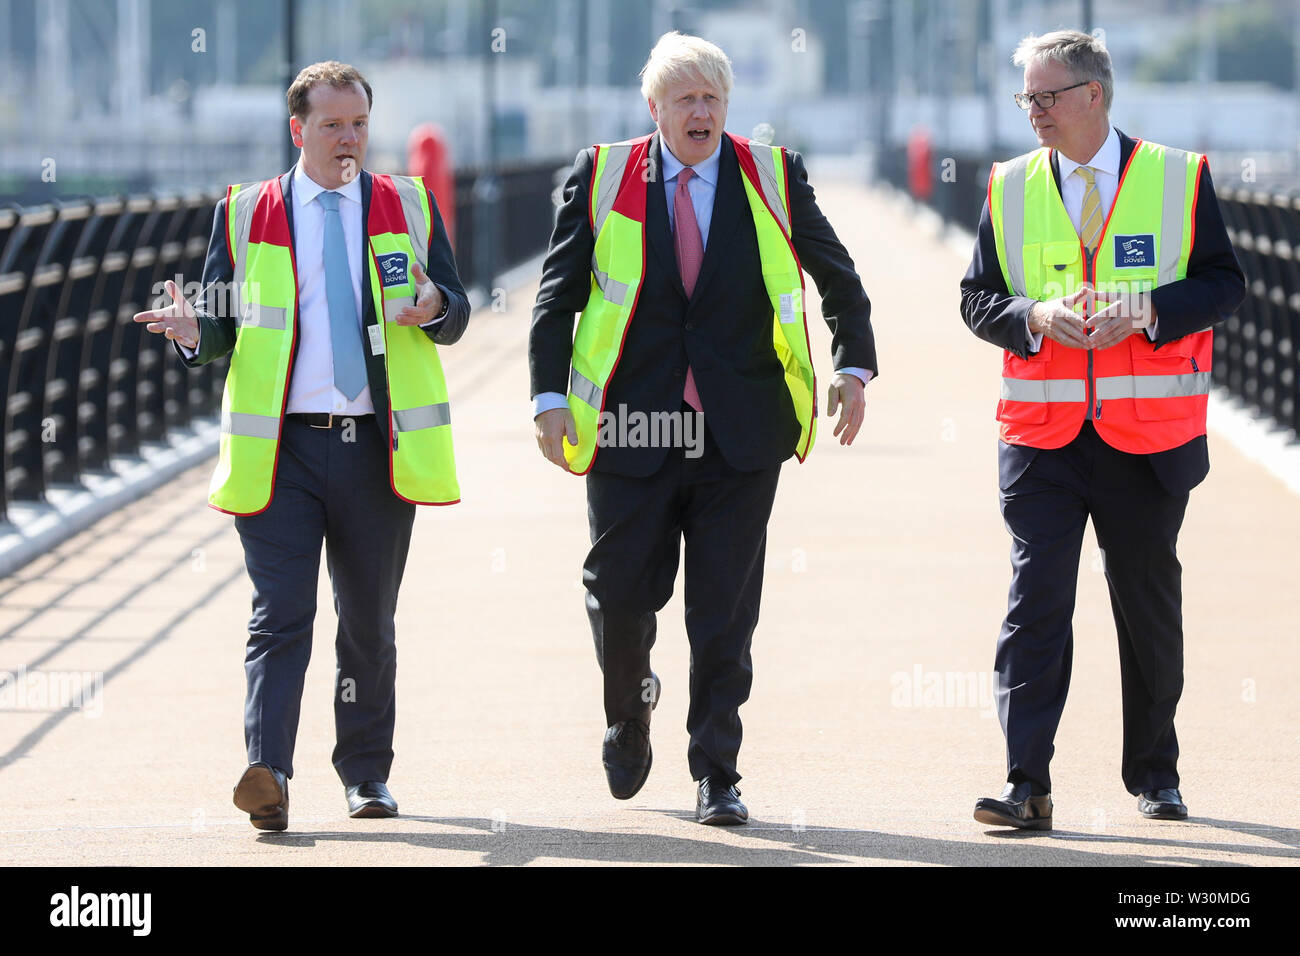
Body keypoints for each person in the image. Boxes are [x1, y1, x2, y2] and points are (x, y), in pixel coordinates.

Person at [529, 32, 878, 825]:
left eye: (713, 97)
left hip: (739, 431)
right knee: (619, 592)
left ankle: (717, 771)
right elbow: (557, 296)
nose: (702, 111)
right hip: (630, 423)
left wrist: (853, 366)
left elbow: (837, 275)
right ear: (653, 108)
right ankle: (630, 710)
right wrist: (547, 397)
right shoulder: (602, 175)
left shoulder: (773, 175)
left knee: (723, 611)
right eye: (685, 98)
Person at [134, 61, 469, 830]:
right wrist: (195, 335)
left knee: (367, 621)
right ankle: (270, 774)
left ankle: (365, 774)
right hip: (280, 451)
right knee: (279, 613)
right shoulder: (246, 212)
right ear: (298, 130)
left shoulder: (407, 204)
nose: (348, 139)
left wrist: (436, 304)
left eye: (358, 124)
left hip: (374, 450)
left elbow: (453, 308)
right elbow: (222, 325)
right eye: (331, 125)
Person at [960, 31, 1245, 829]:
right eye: (1027, 98)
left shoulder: (1178, 178)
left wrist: (1151, 310)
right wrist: (1034, 316)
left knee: (1146, 605)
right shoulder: (1008, 186)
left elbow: (1226, 283)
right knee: (1035, 604)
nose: (1033, 112)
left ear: (1094, 96)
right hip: (1042, 435)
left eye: (1046, 96)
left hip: (1147, 440)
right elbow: (977, 298)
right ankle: (1026, 784)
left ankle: (1157, 773)